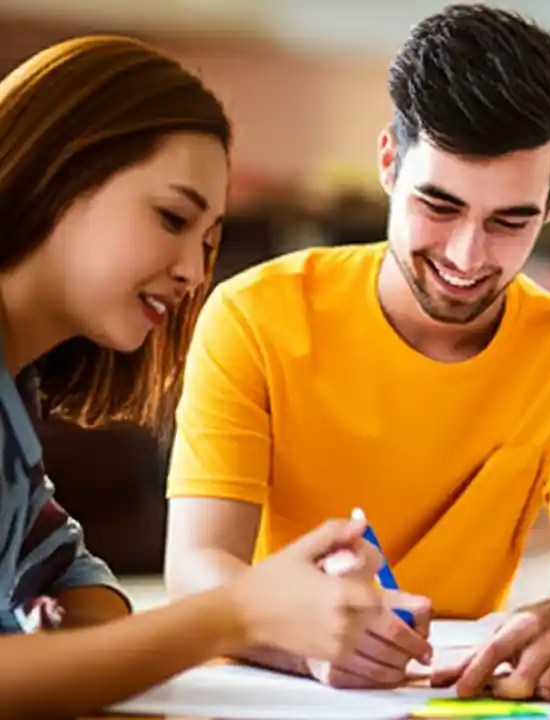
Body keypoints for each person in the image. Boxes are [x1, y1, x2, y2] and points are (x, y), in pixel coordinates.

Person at [163, 4, 550, 701]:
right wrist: (310, 644)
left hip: (456, 695)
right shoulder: (255, 315)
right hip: (274, 695)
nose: (467, 257)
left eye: (511, 221)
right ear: (389, 162)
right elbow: (196, 567)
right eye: (439, 206)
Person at [0, 35, 407, 718]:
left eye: (208, 240)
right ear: (58, 171)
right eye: (172, 218)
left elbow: (65, 567)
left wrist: (76, 644)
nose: (193, 271)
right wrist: (236, 614)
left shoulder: (18, 392)